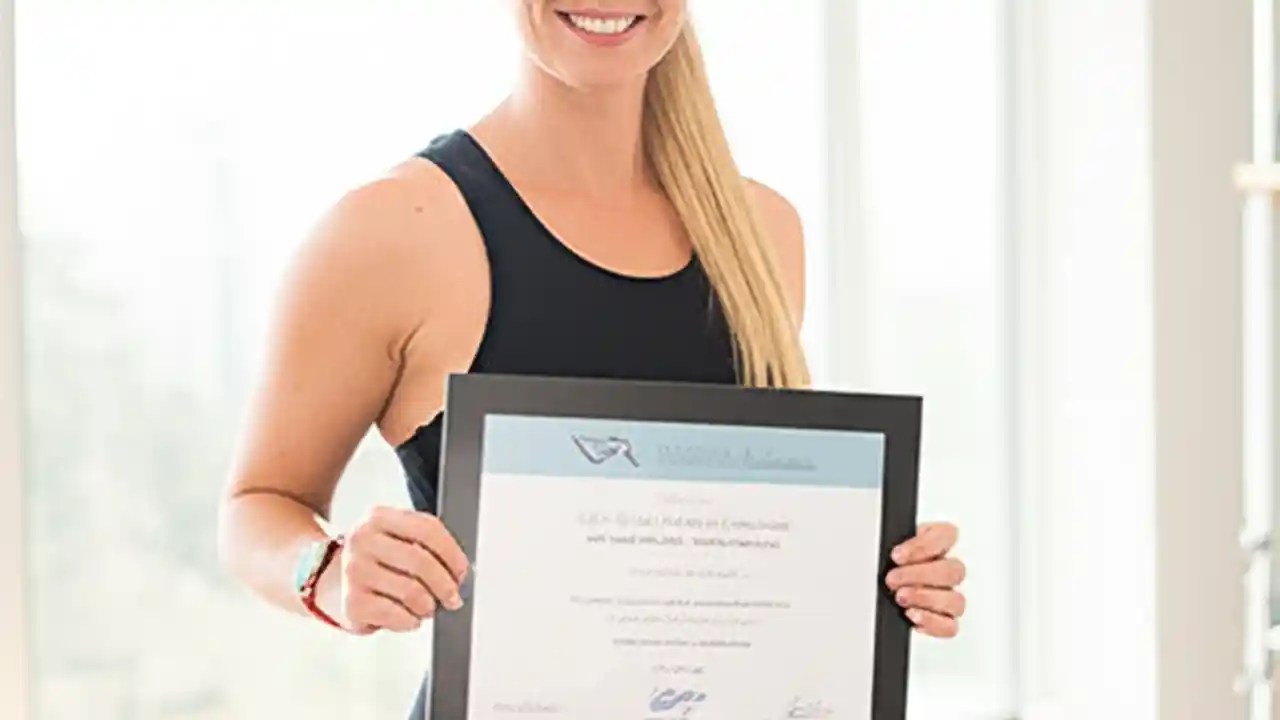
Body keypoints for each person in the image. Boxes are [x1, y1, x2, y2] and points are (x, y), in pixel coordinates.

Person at [217, 0, 968, 715]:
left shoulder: (763, 234)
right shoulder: (393, 230)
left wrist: (877, 577)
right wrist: (329, 572)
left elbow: (735, 549)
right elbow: (257, 505)